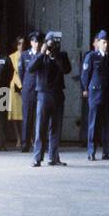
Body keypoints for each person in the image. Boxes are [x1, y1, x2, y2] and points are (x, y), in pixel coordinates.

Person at [30, 32, 73, 167]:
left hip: (57, 94)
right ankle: (37, 158)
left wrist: (54, 56)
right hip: (43, 95)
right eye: (49, 43)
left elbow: (66, 69)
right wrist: (42, 54)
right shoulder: (40, 56)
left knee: (55, 128)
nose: (52, 46)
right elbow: (31, 68)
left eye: (54, 43)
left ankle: (53, 158)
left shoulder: (62, 55)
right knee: (40, 128)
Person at [81, 30, 109, 161]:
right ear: (98, 43)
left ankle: (106, 152)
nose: (106, 44)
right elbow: (85, 74)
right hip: (95, 93)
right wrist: (85, 88)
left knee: (107, 124)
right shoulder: (92, 56)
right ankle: (91, 151)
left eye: (107, 42)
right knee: (93, 123)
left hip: (107, 94)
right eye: (103, 42)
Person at [18, 31, 42, 151]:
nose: (37, 44)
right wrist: (25, 86)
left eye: (38, 42)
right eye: (35, 41)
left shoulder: (42, 55)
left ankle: (38, 144)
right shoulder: (24, 55)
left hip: (40, 89)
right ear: (31, 42)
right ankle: (25, 144)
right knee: (27, 117)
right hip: (28, 89)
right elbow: (21, 73)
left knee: (40, 118)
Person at [7, 35, 25, 149]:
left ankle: (29, 137)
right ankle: (19, 138)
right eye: (19, 43)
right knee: (15, 115)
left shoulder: (29, 55)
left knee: (27, 114)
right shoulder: (11, 57)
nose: (21, 46)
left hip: (26, 85)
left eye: (23, 43)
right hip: (15, 86)